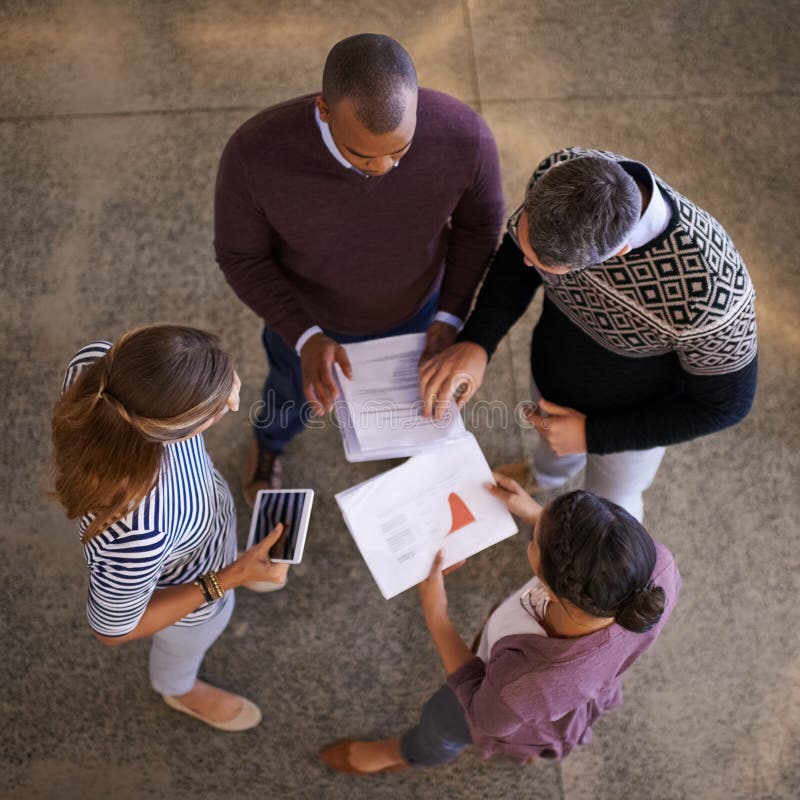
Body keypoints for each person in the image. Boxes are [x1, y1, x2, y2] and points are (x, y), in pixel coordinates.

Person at [214, 33, 504, 505]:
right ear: (324, 111)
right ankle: (269, 446)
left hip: (419, 308)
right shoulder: (255, 155)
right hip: (307, 320)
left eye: (401, 150)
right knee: (288, 394)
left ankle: (404, 447)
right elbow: (240, 257)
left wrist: (450, 316)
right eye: (362, 156)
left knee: (413, 402)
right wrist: (304, 336)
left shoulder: (464, 135)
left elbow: (480, 227)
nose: (385, 167)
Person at [419, 148, 758, 521]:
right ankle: (545, 475)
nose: (527, 263)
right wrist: (478, 340)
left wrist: (594, 436)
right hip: (553, 373)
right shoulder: (560, 170)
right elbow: (516, 261)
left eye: (544, 266)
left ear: (618, 253)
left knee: (612, 506)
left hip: (632, 422)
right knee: (550, 453)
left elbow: (727, 405)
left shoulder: (711, 291)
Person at [320, 476, 680, 773]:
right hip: (548, 688)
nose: (535, 529)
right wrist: (544, 518)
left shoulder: (528, 682)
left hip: (500, 705)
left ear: (554, 590)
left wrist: (436, 614)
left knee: (442, 723)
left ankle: (403, 753)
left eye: (536, 540)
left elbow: (482, 714)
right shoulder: (657, 568)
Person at [51, 325, 289, 731]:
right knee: (187, 645)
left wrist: (208, 376)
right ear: (175, 430)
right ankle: (178, 687)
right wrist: (230, 577)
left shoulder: (100, 366)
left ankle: (245, 565)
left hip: (200, 540)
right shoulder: (140, 532)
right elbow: (112, 630)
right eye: (218, 405)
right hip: (191, 595)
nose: (232, 403)